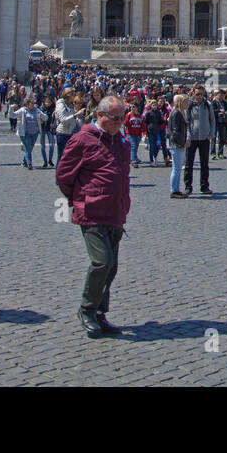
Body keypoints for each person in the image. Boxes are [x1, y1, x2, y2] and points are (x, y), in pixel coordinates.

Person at [56, 95, 131, 337]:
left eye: (122, 117)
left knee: (112, 266)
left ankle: (100, 312)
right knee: (102, 261)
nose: (120, 122)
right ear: (100, 115)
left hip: (115, 211)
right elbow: (64, 175)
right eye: (115, 118)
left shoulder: (121, 141)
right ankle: (86, 309)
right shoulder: (82, 140)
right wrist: (80, 197)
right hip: (92, 210)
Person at [184, 86, 217, 195]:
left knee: (204, 164)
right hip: (192, 138)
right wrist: (188, 136)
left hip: (204, 138)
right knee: (189, 164)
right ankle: (188, 186)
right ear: (193, 93)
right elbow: (187, 122)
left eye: (201, 94)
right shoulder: (189, 105)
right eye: (197, 94)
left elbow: (212, 120)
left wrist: (211, 134)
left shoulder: (208, 105)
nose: (199, 96)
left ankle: (204, 186)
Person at [54, 89, 84, 168]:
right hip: (62, 133)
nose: (74, 96)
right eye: (73, 94)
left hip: (70, 133)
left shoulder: (69, 104)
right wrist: (76, 115)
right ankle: (59, 177)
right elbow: (63, 120)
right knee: (61, 157)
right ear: (68, 95)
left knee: (68, 157)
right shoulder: (61, 104)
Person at [167, 92, 189, 197]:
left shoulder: (180, 112)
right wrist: (182, 143)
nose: (187, 103)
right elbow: (175, 131)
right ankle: (174, 190)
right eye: (185, 101)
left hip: (178, 143)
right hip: (176, 144)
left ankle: (176, 189)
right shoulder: (176, 113)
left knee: (178, 168)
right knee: (176, 169)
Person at [14, 96, 45, 170]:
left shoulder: (36, 110)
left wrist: (42, 116)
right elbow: (12, 115)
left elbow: (45, 118)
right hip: (25, 133)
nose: (33, 104)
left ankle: (25, 161)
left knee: (30, 148)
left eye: (34, 103)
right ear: (27, 104)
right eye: (32, 103)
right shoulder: (23, 110)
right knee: (28, 147)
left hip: (35, 132)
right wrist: (11, 108)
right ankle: (29, 163)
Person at [124, 101, 146, 167]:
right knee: (133, 146)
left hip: (138, 134)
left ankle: (135, 157)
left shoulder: (140, 116)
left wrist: (144, 133)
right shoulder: (129, 115)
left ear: (137, 108)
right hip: (130, 134)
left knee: (136, 147)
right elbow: (125, 123)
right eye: (130, 107)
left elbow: (143, 125)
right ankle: (133, 161)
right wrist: (127, 116)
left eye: (133, 107)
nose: (131, 108)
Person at [39, 94, 58, 168]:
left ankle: (50, 160)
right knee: (42, 145)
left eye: (49, 102)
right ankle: (45, 161)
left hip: (50, 128)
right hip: (42, 128)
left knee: (51, 145)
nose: (47, 104)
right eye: (46, 102)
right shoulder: (41, 108)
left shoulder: (54, 109)